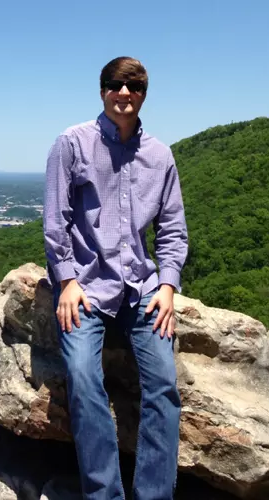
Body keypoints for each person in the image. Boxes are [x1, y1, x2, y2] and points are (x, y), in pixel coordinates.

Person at [43, 56, 188, 500]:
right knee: (84, 381)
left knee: (163, 385)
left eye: (134, 86)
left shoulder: (160, 155)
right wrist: (66, 281)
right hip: (85, 287)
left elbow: (172, 230)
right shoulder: (72, 143)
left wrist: (167, 285)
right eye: (115, 84)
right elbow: (56, 221)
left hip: (142, 289)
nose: (124, 93)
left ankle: (154, 495)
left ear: (144, 93)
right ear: (102, 90)